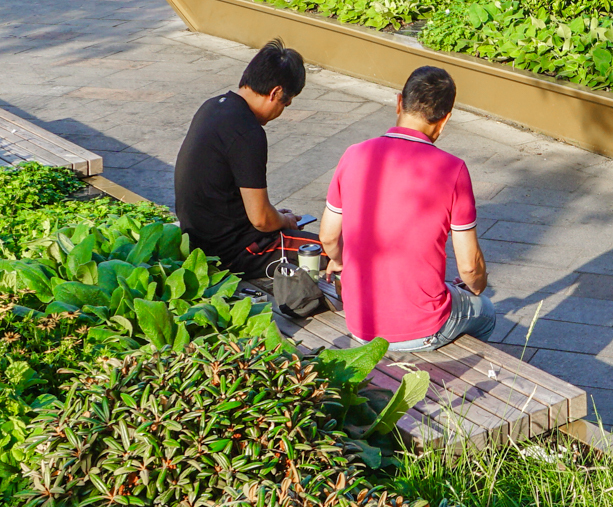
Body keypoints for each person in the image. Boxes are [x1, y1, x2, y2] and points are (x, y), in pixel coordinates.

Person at [318, 66, 495, 352]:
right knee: (485, 312)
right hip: (421, 328)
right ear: (445, 119)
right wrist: (476, 288)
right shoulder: (453, 169)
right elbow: (470, 267)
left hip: (360, 327)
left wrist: (338, 262)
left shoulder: (353, 154)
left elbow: (328, 237)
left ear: (399, 102)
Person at [175, 39, 318, 278]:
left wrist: (276, 216)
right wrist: (284, 221)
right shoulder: (248, 131)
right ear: (276, 92)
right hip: (232, 252)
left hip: (197, 240)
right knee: (335, 248)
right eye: (285, 104)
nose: (281, 112)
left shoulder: (212, 106)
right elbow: (261, 219)